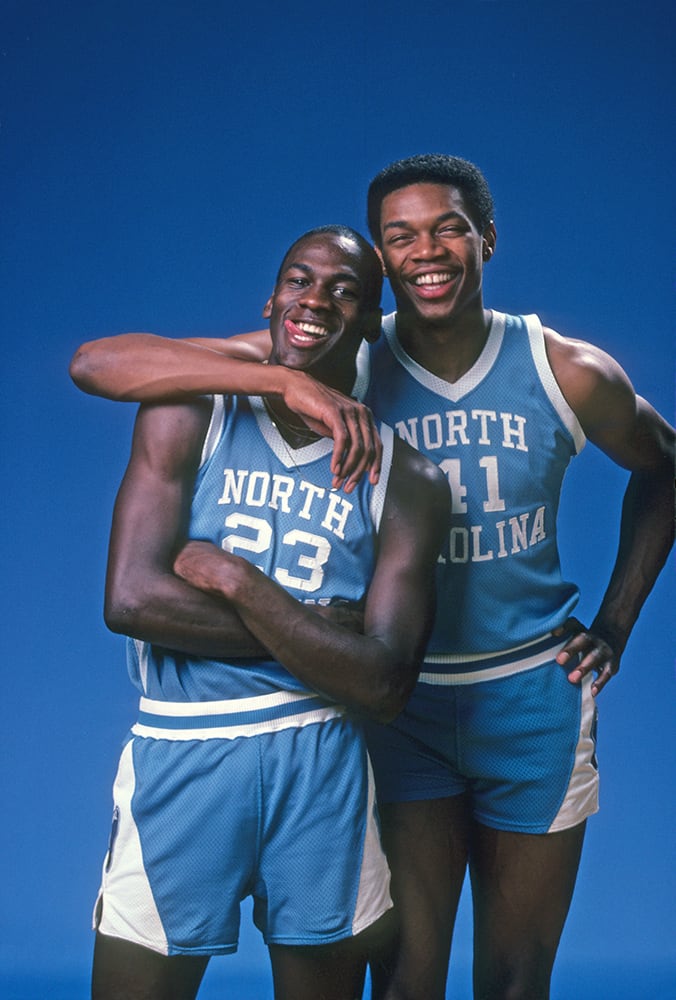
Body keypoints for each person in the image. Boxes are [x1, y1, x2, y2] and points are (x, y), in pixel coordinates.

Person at [71, 158, 675, 1000]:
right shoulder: (341, 347)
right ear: (385, 268)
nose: (426, 249)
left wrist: (614, 623)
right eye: (401, 236)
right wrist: (280, 379)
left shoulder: (561, 368)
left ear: (486, 238)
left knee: (514, 978)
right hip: (402, 708)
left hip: (524, 694)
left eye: (448, 228)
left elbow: (667, 466)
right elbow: (103, 362)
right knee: (404, 979)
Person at [77, 224, 450, 1000]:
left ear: (370, 318)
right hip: (182, 755)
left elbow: (382, 682)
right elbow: (134, 598)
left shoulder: (404, 476)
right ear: (272, 299)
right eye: (298, 281)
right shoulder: (191, 409)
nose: (314, 300)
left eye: (343, 290)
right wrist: (320, 629)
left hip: (323, 768)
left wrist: (242, 583)